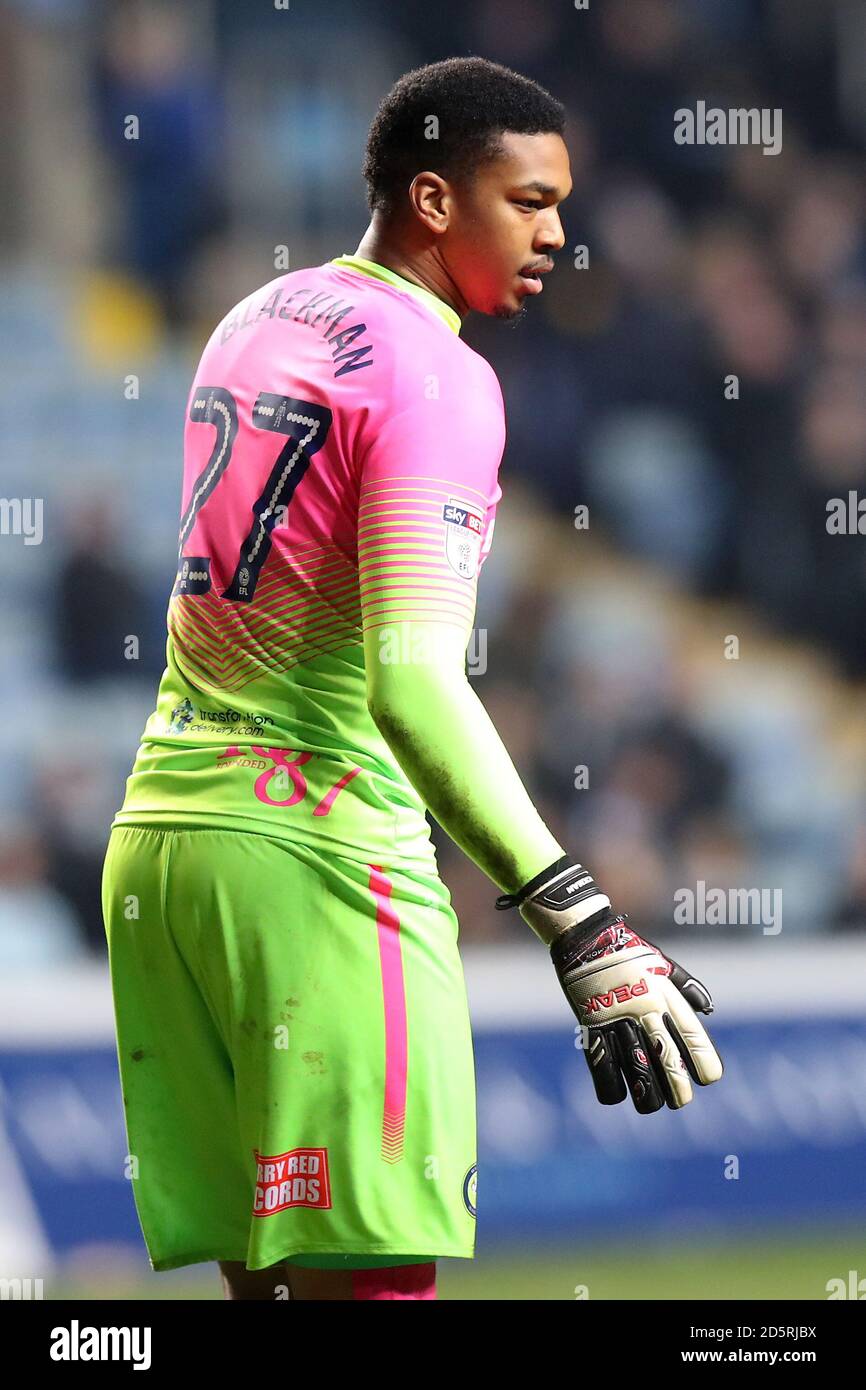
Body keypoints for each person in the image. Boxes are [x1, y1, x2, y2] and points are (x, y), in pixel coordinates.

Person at [101, 56, 723, 1303]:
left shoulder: (254, 316)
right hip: (316, 860)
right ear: (433, 201)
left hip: (166, 851)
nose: (556, 234)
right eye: (527, 200)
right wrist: (578, 919)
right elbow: (411, 683)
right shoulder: (437, 374)